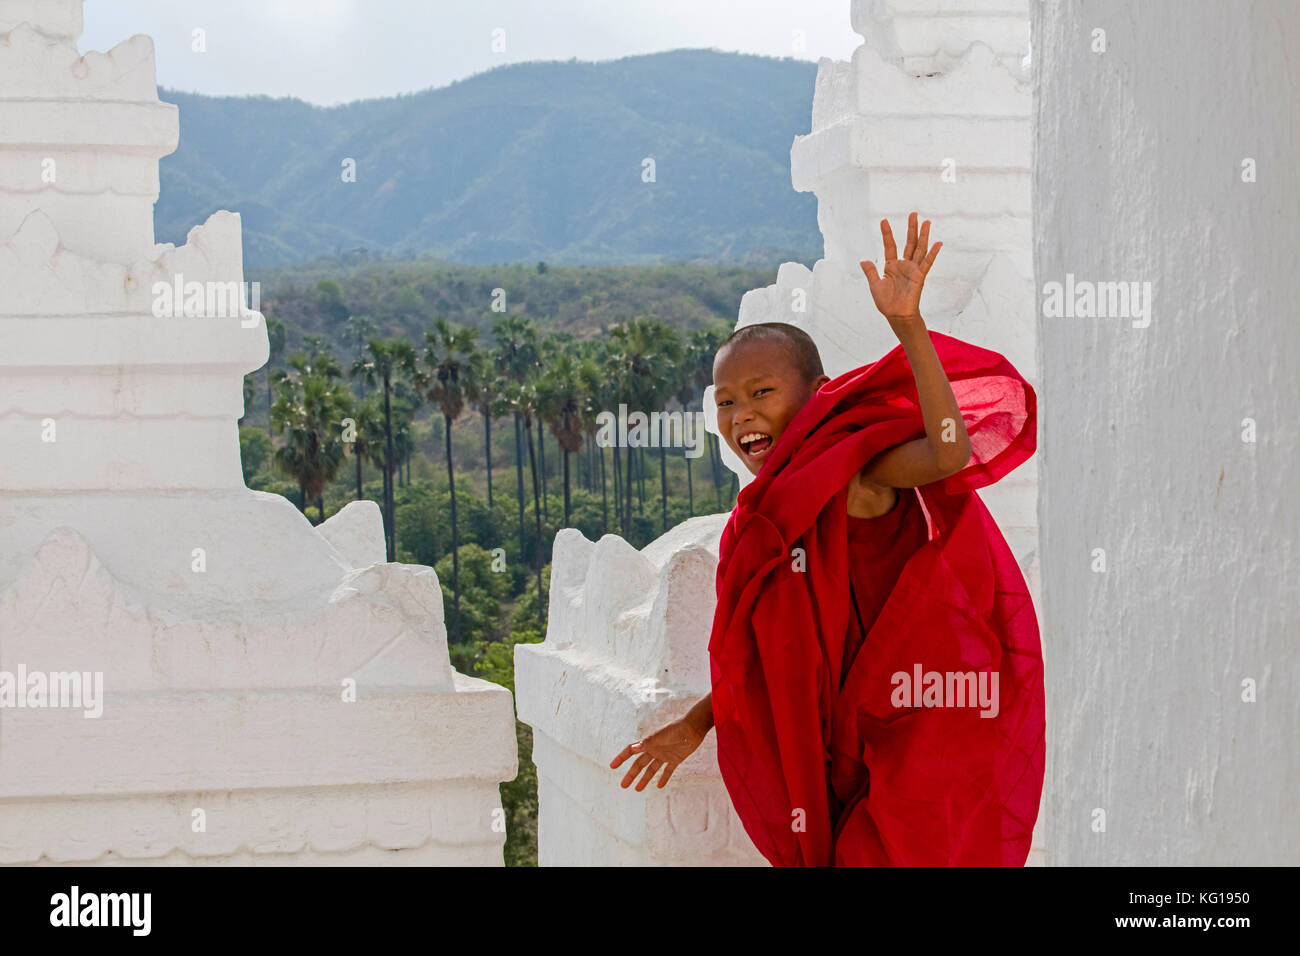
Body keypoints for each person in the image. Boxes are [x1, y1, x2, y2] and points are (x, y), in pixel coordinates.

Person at [609, 212, 1044, 865]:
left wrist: (908, 326)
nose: (743, 413)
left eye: (761, 391)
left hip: (917, 733)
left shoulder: (854, 471)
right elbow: (764, 658)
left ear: (815, 396)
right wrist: (694, 726)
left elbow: (950, 455)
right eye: (725, 401)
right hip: (840, 753)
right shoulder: (763, 514)